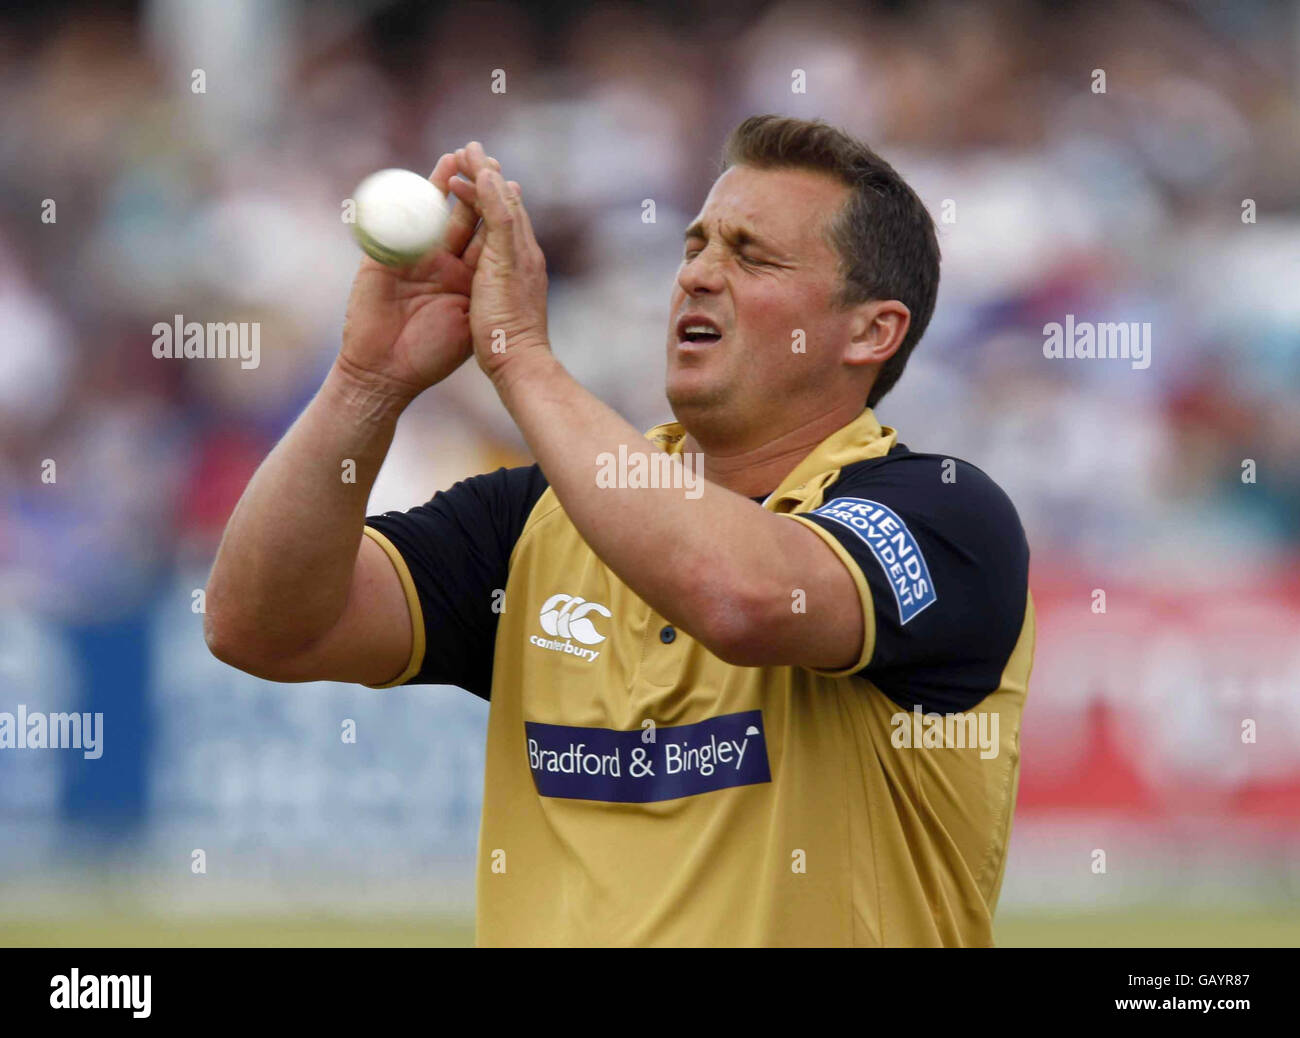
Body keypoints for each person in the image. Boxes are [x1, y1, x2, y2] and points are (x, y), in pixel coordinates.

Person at [205, 115, 1033, 947]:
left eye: (751, 255)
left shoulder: (946, 517)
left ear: (870, 331)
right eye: (695, 245)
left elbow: (741, 596)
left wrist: (522, 357)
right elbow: (258, 625)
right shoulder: (536, 522)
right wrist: (365, 382)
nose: (699, 277)